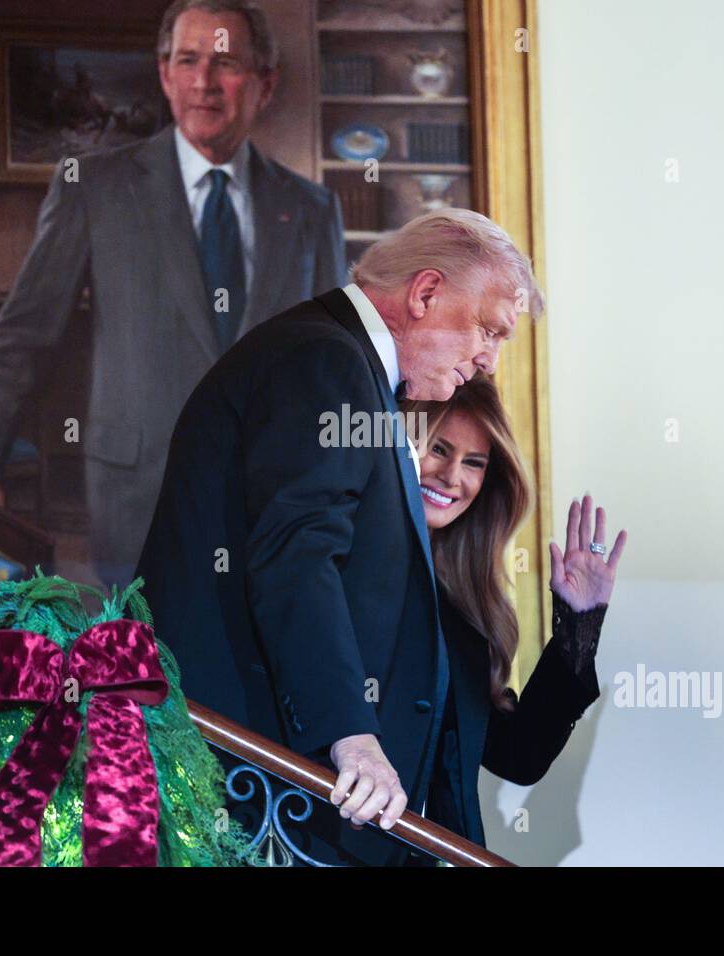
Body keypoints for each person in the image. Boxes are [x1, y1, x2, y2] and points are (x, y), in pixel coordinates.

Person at [132, 207, 542, 865]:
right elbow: (296, 553)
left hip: (281, 791)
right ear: (426, 292)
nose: (489, 360)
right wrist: (351, 736)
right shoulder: (325, 358)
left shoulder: (338, 360)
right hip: (262, 792)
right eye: (489, 330)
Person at [0, 0, 347, 588]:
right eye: (187, 60)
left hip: (276, 499)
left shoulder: (311, 209)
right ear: (164, 74)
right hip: (139, 498)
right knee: (144, 672)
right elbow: (22, 339)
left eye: (225, 62)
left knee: (263, 667)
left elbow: (336, 363)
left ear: (265, 82)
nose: (204, 82)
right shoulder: (95, 187)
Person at [398, 376, 626, 854]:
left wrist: (578, 624)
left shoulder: (459, 610)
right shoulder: (347, 568)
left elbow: (519, 756)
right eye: (438, 449)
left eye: (474, 463)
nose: (452, 476)